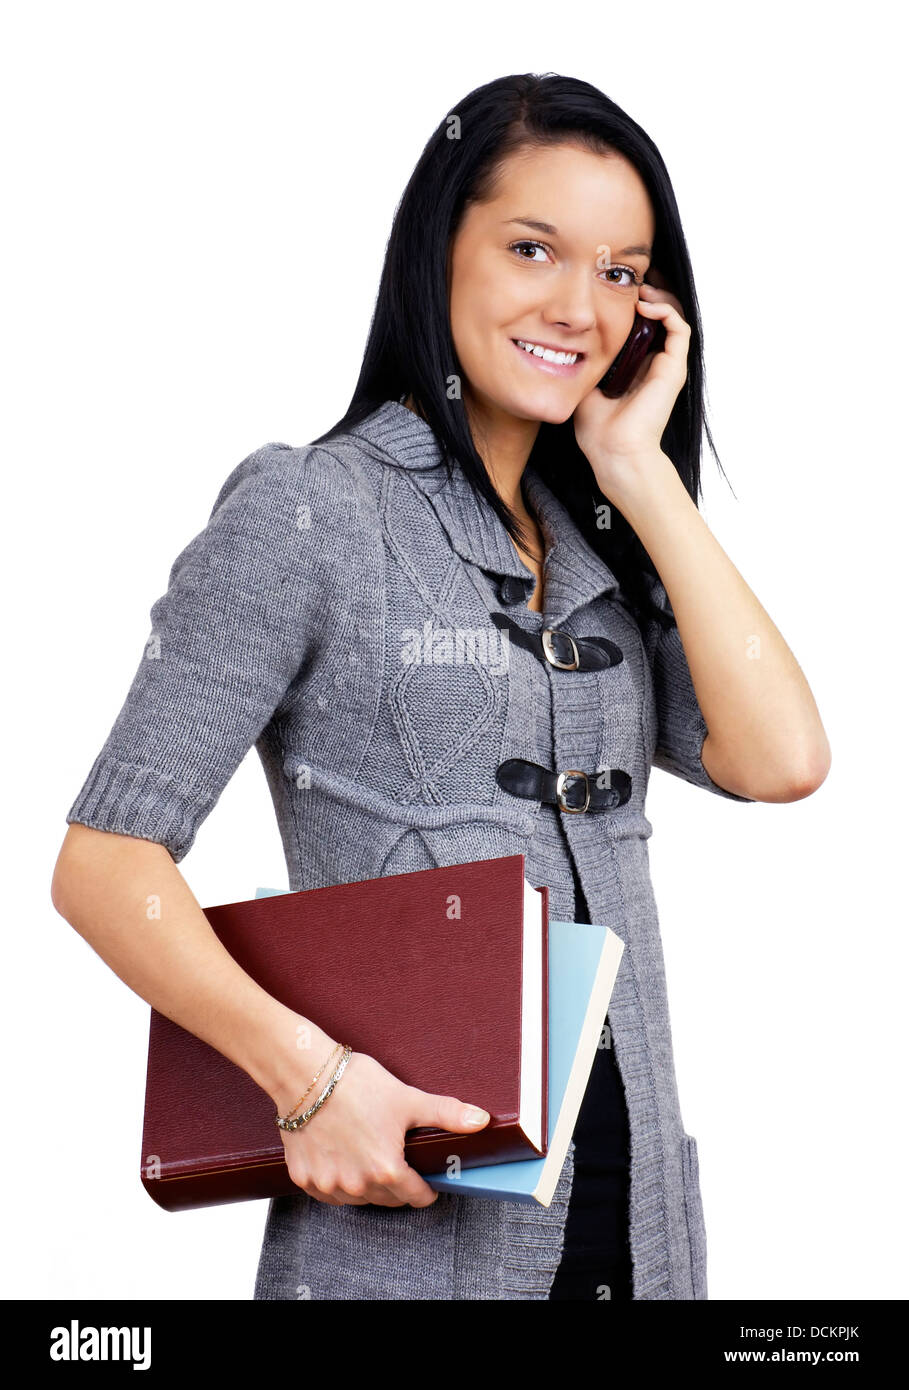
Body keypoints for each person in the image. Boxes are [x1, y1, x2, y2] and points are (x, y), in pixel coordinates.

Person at [51, 72, 830, 1301]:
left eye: (623, 272)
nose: (581, 306)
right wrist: (308, 1081)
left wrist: (640, 469)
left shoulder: (597, 548)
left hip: (639, 1240)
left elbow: (782, 759)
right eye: (535, 248)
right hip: (412, 1239)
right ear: (438, 248)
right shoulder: (311, 510)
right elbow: (103, 865)